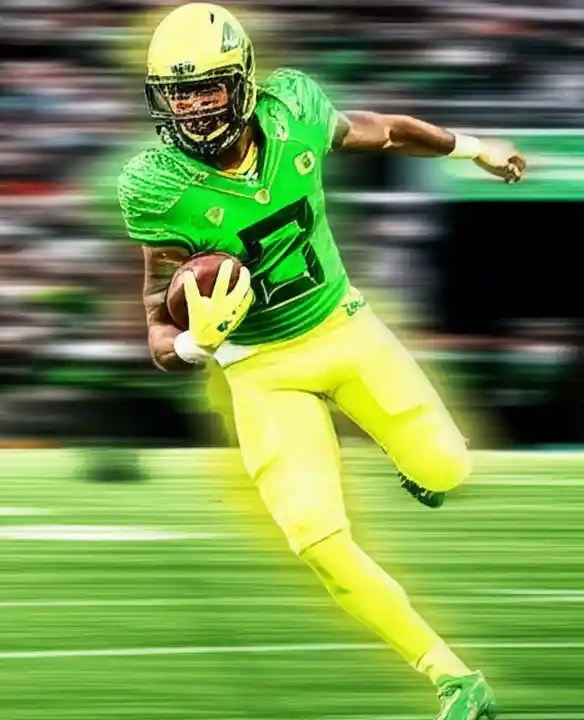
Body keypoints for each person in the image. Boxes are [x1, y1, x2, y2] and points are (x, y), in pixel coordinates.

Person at [117, 4, 526, 719]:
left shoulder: (295, 108)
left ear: (242, 81)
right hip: (261, 369)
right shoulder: (155, 184)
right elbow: (157, 326)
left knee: (447, 469)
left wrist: (474, 147)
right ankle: (451, 675)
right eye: (179, 94)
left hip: (345, 328)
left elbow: (391, 131)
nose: (193, 108)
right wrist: (195, 343)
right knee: (315, 535)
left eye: (208, 89)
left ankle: (415, 466)